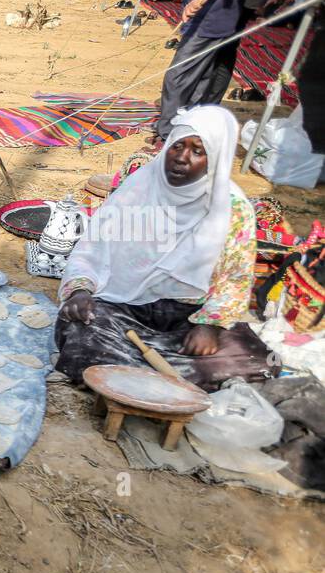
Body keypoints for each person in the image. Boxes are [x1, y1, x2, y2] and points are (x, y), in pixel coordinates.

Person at [55, 106, 277, 393]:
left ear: (216, 159)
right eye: (177, 146)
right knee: (79, 329)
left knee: (259, 361)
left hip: (190, 318)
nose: (182, 158)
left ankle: (125, 376)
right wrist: (80, 291)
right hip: (124, 308)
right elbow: (91, 250)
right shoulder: (138, 188)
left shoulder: (232, 208)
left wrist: (210, 326)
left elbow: (235, 278)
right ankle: (167, 380)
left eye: (198, 151)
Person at [153, 0, 250, 143]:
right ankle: (192, 124)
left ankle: (172, 132)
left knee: (181, 74)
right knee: (208, 71)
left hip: (211, 15)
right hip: (216, 13)